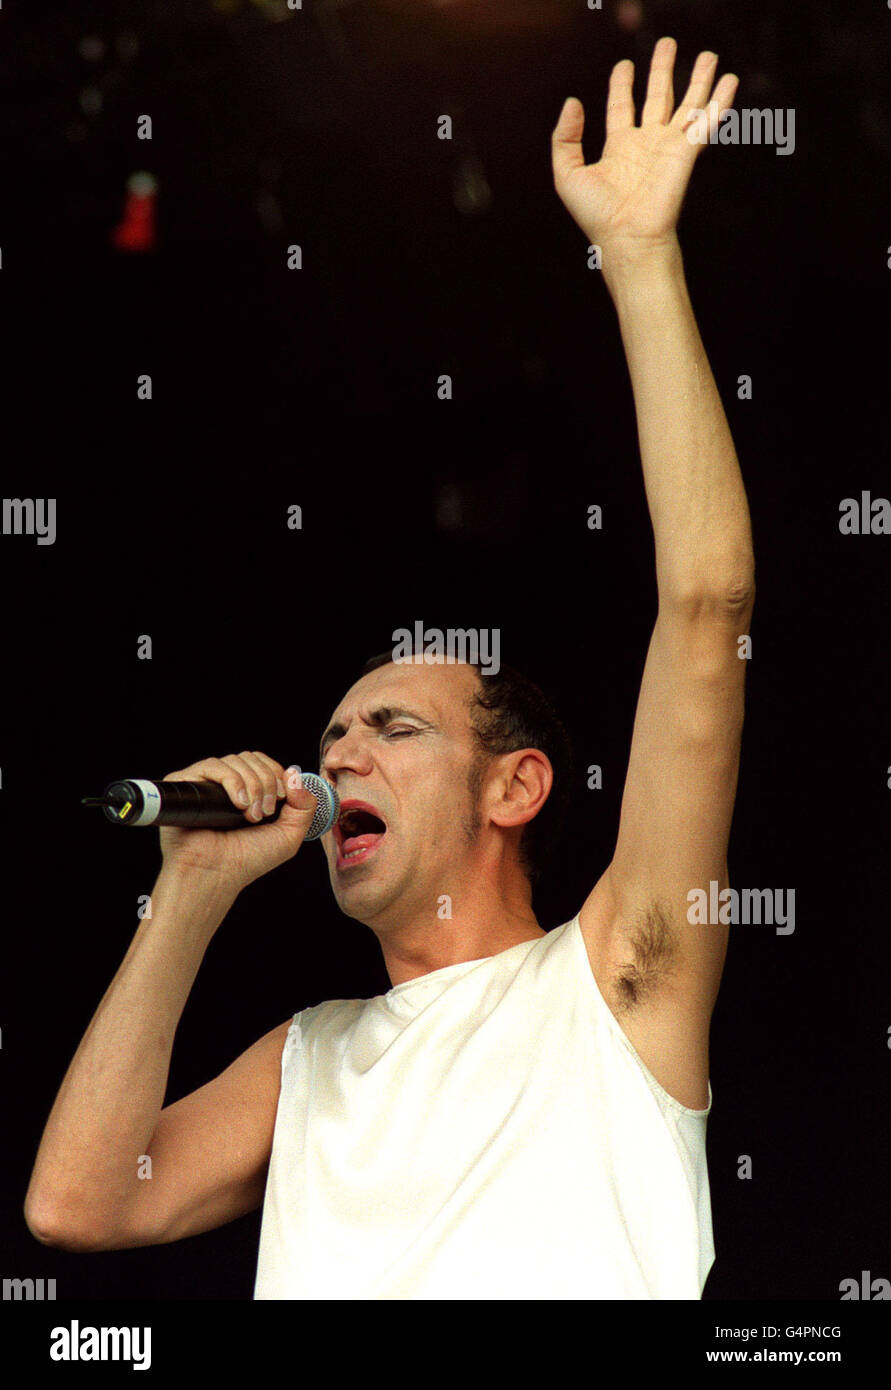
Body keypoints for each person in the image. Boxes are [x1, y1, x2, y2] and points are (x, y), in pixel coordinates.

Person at [25, 37, 754, 1298]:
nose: (339, 753)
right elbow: (76, 1205)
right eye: (336, 734)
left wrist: (638, 258)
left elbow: (705, 606)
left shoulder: (615, 980)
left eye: (393, 730)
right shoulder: (310, 1056)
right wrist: (189, 888)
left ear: (514, 787)